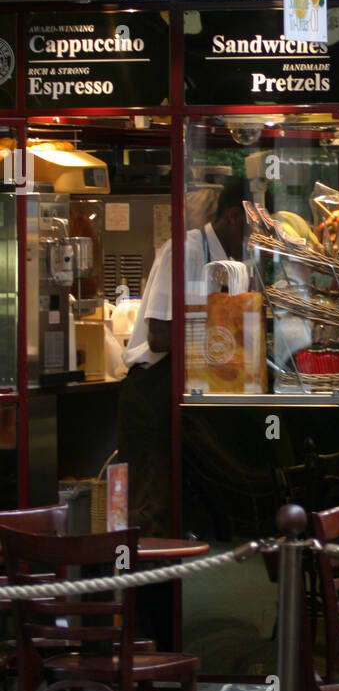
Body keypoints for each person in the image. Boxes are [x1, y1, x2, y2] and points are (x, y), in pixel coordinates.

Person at [116, 177, 247, 643]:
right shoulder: (185, 251)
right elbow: (159, 333)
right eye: (250, 226)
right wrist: (226, 344)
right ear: (233, 216)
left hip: (187, 391)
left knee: (181, 511)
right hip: (153, 391)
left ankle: (178, 629)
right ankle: (148, 637)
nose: (252, 237)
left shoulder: (230, 260)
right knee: (151, 514)